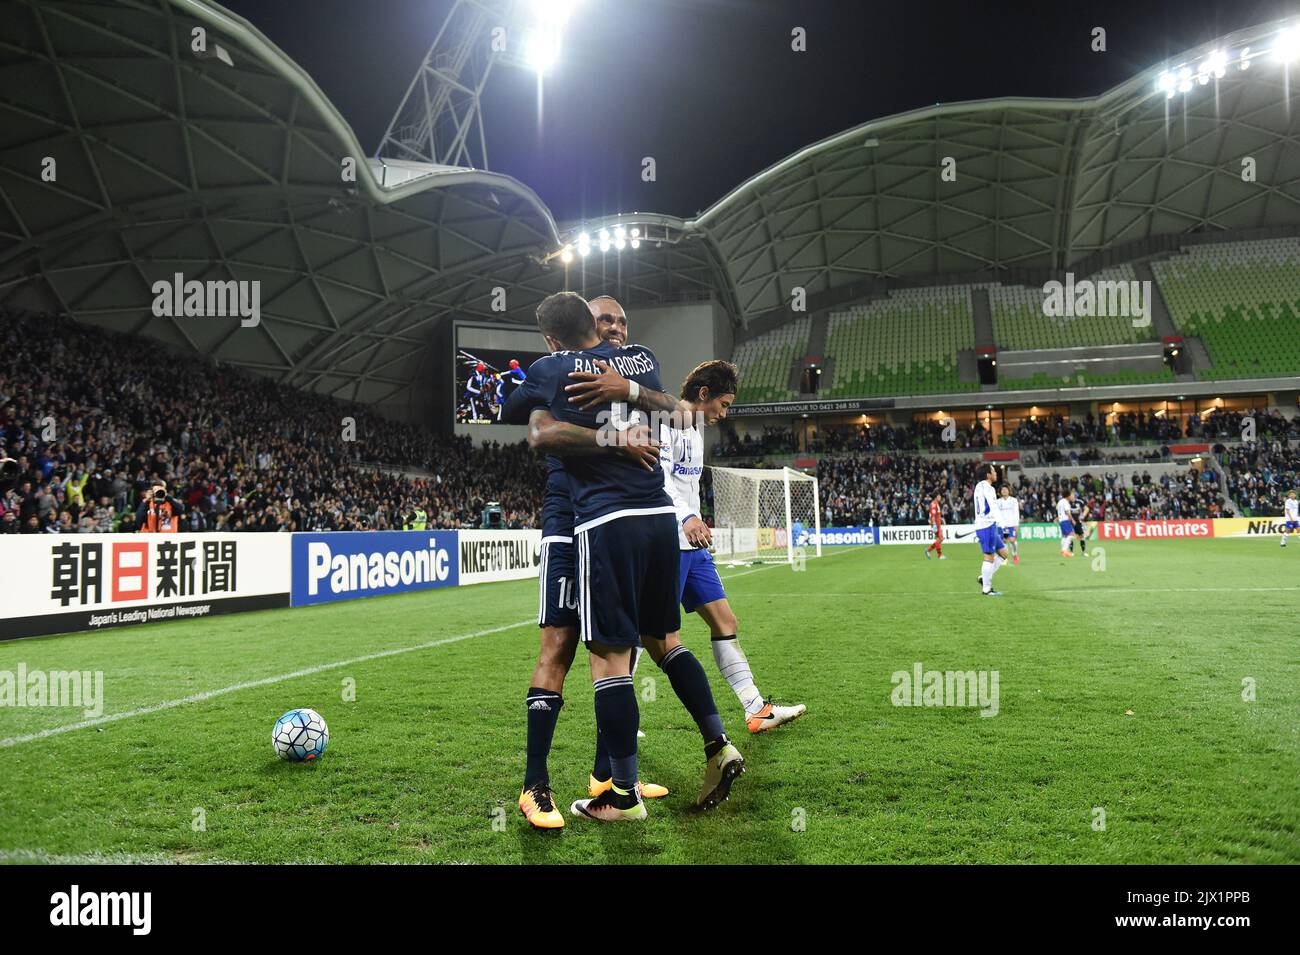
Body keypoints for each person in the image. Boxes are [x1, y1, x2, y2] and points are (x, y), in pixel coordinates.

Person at [515, 291, 743, 823]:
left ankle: (614, 780)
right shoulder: (558, 371)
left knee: (627, 648)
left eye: (620, 320)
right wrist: (611, 439)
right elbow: (540, 433)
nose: (614, 328)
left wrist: (632, 389)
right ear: (582, 328)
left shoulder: (633, 367)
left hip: (622, 523)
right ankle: (536, 784)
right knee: (563, 646)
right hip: (569, 527)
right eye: (603, 320)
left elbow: (684, 415)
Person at [656, 358, 806, 733]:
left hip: (693, 547)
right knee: (653, 634)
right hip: (665, 543)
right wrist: (685, 518)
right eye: (723, 404)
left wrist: (696, 519)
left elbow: (686, 484)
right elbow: (659, 478)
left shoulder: (696, 429)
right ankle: (622, 712)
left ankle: (756, 708)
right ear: (703, 394)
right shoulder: (667, 421)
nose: (724, 414)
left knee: (725, 621)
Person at [973, 464, 1010, 596]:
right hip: (986, 525)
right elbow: (993, 508)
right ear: (988, 475)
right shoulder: (988, 488)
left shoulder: (979, 486)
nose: (996, 473)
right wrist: (1003, 525)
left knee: (1004, 554)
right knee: (989, 556)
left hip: (987, 525)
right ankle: (986, 590)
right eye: (993, 471)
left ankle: (984, 577)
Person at [997, 484, 1020, 565]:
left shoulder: (1013, 500)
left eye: (1005, 489)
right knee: (1004, 541)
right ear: (1000, 492)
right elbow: (997, 514)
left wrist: (1016, 524)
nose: (1004, 491)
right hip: (1002, 525)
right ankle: (1005, 558)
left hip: (1011, 524)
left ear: (1009, 491)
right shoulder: (998, 502)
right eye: (1002, 490)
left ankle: (1015, 554)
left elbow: (1016, 513)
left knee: (1012, 541)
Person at [924, 492, 945, 560]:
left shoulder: (936, 503)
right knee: (940, 538)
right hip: (936, 524)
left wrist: (941, 520)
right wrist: (934, 525)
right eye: (939, 496)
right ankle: (939, 555)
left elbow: (936, 515)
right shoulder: (934, 504)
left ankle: (928, 550)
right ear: (936, 497)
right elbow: (933, 515)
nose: (940, 497)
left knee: (939, 539)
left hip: (937, 524)